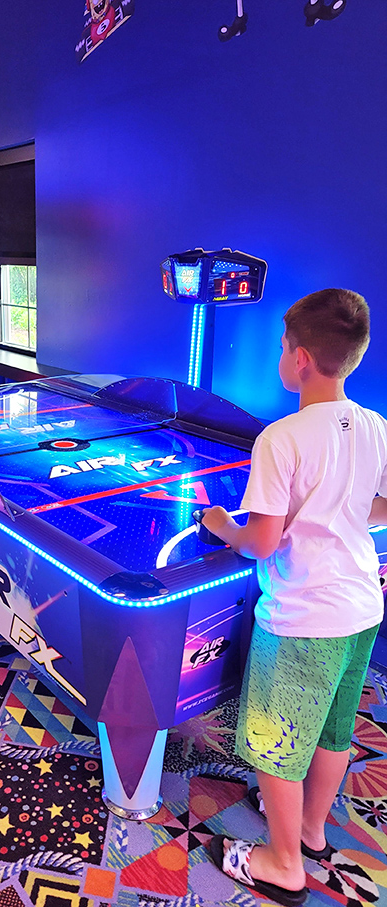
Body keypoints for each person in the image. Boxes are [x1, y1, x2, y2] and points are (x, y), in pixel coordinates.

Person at [200, 288, 387, 907]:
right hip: (362, 607)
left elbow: (262, 541)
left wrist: (220, 522)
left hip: (305, 613)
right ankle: (309, 830)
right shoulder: (373, 425)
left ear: (301, 358)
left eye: (283, 346)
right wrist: (344, 511)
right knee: (334, 729)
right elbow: (380, 506)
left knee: (277, 739)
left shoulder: (281, 438)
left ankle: (283, 865)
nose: (281, 355)